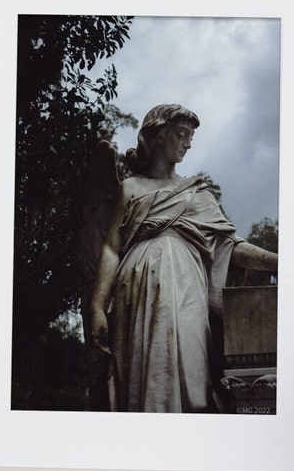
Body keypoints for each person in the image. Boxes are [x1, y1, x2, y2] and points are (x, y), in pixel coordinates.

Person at [90, 103, 278, 412]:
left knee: (192, 370)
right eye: (182, 134)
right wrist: (97, 305)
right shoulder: (130, 188)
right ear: (160, 136)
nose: (188, 143)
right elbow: (111, 248)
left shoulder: (197, 193)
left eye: (191, 137)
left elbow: (231, 246)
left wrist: (279, 261)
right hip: (137, 292)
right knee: (142, 373)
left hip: (187, 291)